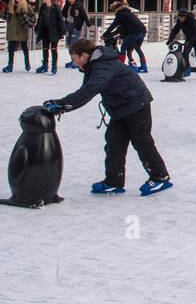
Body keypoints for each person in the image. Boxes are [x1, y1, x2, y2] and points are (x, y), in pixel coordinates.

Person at [43, 38, 171, 195]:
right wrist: (63, 105)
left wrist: (62, 104)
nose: (74, 63)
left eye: (74, 59)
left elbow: (91, 89)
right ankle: (114, 181)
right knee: (114, 144)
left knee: (142, 142)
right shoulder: (95, 64)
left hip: (136, 104)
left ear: (84, 55)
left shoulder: (102, 64)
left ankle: (160, 177)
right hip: (120, 108)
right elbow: (86, 90)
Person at [103, 0, 148, 71]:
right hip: (142, 30)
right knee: (137, 48)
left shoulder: (120, 14)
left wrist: (105, 34)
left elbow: (113, 25)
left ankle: (121, 66)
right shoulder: (128, 13)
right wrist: (110, 34)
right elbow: (121, 29)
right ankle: (143, 66)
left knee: (123, 48)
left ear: (116, 9)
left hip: (134, 32)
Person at [2, 0, 36, 71]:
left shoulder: (26, 5)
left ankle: (27, 64)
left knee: (24, 47)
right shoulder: (10, 4)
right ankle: (10, 65)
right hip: (12, 29)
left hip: (22, 28)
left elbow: (32, 16)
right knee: (11, 48)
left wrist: (30, 21)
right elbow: (3, 14)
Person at [33, 0, 66, 75]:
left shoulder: (55, 8)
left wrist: (62, 32)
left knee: (53, 49)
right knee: (45, 48)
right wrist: (37, 28)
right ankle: (45, 65)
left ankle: (54, 66)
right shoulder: (42, 7)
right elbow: (40, 19)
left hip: (54, 31)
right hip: (45, 31)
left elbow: (60, 20)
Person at [61, 0, 91, 64]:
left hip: (76, 26)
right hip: (68, 26)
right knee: (68, 43)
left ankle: (77, 60)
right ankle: (73, 59)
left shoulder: (79, 6)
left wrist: (88, 24)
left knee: (73, 43)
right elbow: (62, 14)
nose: (71, 1)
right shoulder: (66, 6)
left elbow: (84, 15)